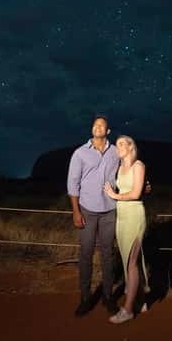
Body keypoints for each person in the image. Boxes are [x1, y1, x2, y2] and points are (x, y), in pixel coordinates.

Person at [67, 115, 121, 316]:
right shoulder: (80, 154)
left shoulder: (116, 151)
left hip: (109, 210)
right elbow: (73, 184)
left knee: (108, 254)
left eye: (102, 125)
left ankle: (108, 297)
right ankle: (85, 298)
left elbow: (129, 167)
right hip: (87, 211)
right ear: (92, 129)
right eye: (95, 124)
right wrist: (75, 211)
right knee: (86, 254)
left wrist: (144, 184)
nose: (97, 127)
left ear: (107, 131)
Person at [103, 135, 149, 324]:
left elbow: (137, 193)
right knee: (128, 261)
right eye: (117, 144)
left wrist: (114, 195)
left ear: (131, 147)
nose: (118, 146)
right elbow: (136, 189)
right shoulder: (119, 168)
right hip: (121, 217)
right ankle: (141, 300)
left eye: (123, 143)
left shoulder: (139, 165)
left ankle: (128, 309)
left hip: (135, 216)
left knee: (131, 261)